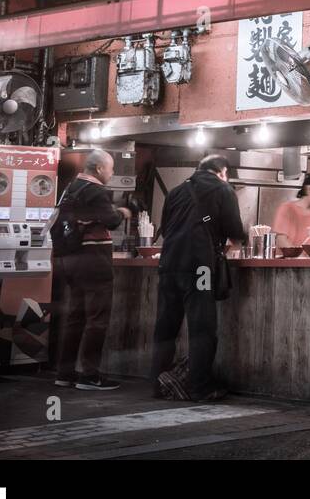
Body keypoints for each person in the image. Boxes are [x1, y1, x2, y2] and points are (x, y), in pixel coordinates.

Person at [150, 155, 247, 401]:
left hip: (169, 264)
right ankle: (199, 387)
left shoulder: (175, 191)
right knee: (202, 327)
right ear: (222, 171)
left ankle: (158, 383)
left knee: (166, 327)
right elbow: (235, 234)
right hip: (200, 267)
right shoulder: (223, 190)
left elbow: (166, 226)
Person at [54, 149, 131, 391]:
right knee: (97, 320)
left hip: (70, 259)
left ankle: (65, 374)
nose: (112, 172)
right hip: (94, 260)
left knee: (75, 318)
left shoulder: (70, 188)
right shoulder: (96, 191)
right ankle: (90, 375)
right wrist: (123, 211)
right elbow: (112, 221)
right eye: (111, 168)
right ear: (99, 169)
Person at [272, 173, 310, 248]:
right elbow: (280, 240)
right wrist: (299, 257)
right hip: (286, 259)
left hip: (309, 260)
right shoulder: (287, 209)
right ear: (309, 189)